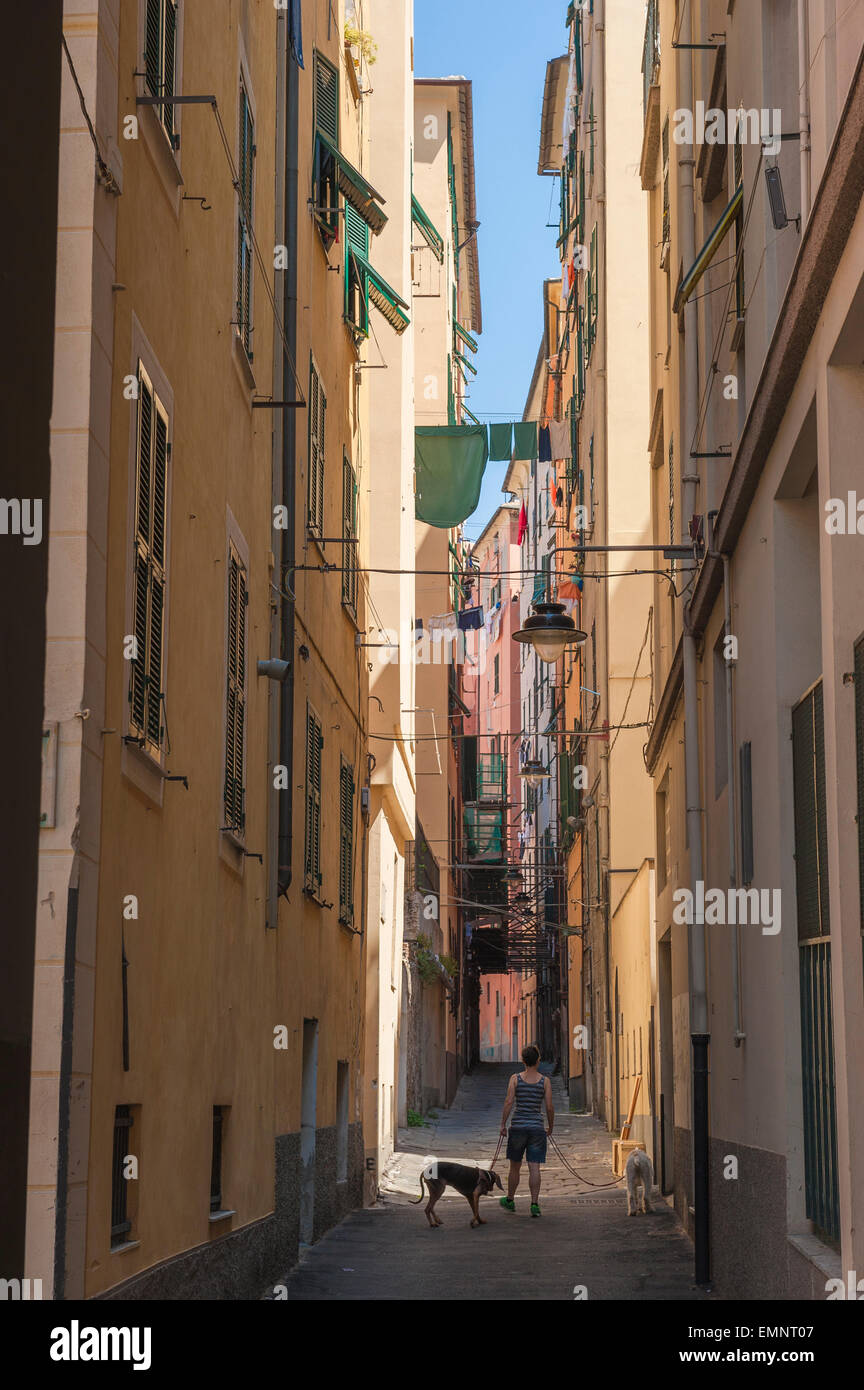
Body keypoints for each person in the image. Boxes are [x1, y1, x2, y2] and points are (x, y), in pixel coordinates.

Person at [498, 1045, 554, 1217]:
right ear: (538, 1060)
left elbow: (508, 1102)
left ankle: (510, 1200)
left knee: (514, 1166)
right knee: (534, 1167)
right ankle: (534, 1204)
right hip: (537, 1128)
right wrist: (550, 1127)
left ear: (523, 1060)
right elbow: (549, 1107)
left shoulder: (515, 1079)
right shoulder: (544, 1081)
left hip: (518, 1127)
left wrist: (503, 1124)